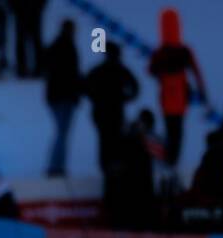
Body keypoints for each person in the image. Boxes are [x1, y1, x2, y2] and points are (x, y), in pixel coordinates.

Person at [147, 6, 205, 169]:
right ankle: (173, 160)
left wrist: (162, 75)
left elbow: (150, 70)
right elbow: (196, 72)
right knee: (178, 132)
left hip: (166, 97)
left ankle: (168, 158)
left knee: (170, 129)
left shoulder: (160, 52)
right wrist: (202, 91)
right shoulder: (185, 51)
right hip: (180, 98)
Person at [85, 42, 139, 175]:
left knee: (106, 140)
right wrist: (124, 98)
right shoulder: (119, 70)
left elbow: (85, 86)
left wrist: (96, 98)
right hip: (112, 112)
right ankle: (111, 167)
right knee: (112, 139)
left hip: (103, 112)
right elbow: (135, 88)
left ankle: (108, 167)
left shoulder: (99, 70)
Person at [42, 19, 82, 176]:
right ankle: (56, 166)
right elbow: (69, 74)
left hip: (57, 95)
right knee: (62, 133)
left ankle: (57, 164)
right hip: (63, 96)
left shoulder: (56, 46)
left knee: (61, 133)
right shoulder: (66, 47)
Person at [9, 0, 46, 77]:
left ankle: (37, 68)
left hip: (31, 11)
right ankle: (23, 68)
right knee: (25, 41)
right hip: (23, 11)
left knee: (34, 41)